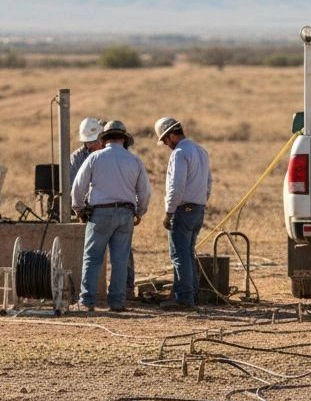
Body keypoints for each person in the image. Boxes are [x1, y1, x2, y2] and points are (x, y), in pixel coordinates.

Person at [71, 120, 150, 313]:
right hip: (126, 214)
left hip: (100, 214)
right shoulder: (135, 161)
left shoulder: (94, 158)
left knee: (92, 258)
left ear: (104, 138)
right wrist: (139, 212)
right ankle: (117, 302)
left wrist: (79, 209)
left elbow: (78, 187)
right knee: (120, 260)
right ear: (124, 139)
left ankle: (87, 301)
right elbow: (145, 191)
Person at [154, 116, 211, 311]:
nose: (165, 144)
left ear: (171, 135)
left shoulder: (179, 153)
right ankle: (190, 295)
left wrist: (169, 212)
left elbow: (176, 187)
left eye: (165, 140)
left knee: (179, 255)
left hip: (182, 210)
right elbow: (208, 183)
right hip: (198, 209)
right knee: (188, 253)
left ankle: (184, 299)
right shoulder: (201, 151)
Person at [69, 117, 104, 188]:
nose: (88, 146)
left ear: (101, 139)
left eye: (91, 142)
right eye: (86, 142)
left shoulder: (114, 154)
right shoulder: (77, 158)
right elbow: (75, 187)